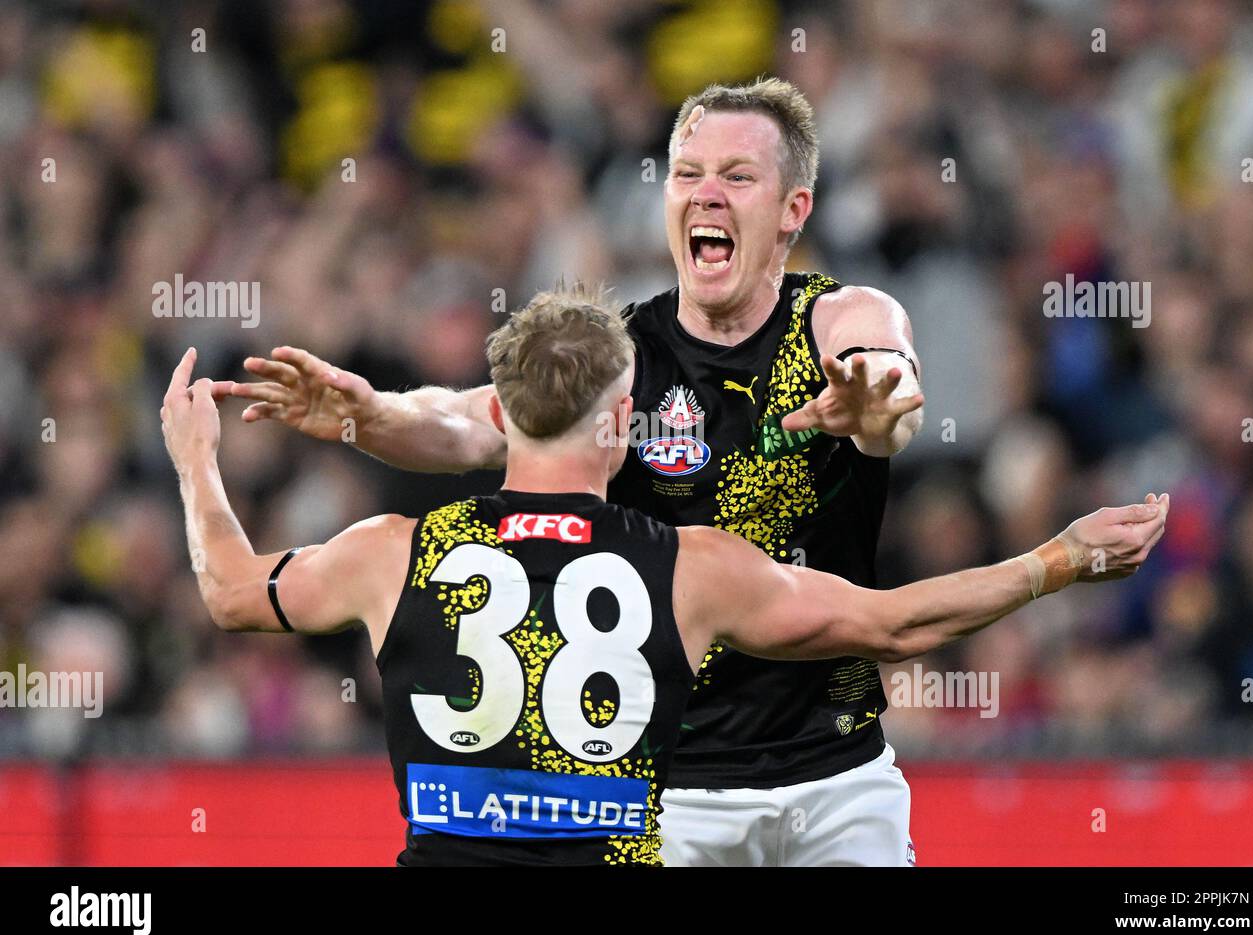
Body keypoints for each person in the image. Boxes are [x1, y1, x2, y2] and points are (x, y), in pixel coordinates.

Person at [213, 78, 1034, 864]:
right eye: (688, 173)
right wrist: (368, 414)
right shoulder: (615, 358)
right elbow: (466, 424)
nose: (707, 193)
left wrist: (880, 406)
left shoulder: (843, 319)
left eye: (738, 176)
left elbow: (890, 385)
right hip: (664, 788)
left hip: (836, 771)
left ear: (794, 209)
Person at [172, 285, 1171, 866]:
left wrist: (195, 460)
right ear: (616, 423)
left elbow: (228, 589)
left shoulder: (389, 550)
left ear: (502, 416)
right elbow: (895, 625)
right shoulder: (689, 571)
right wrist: (1060, 559)